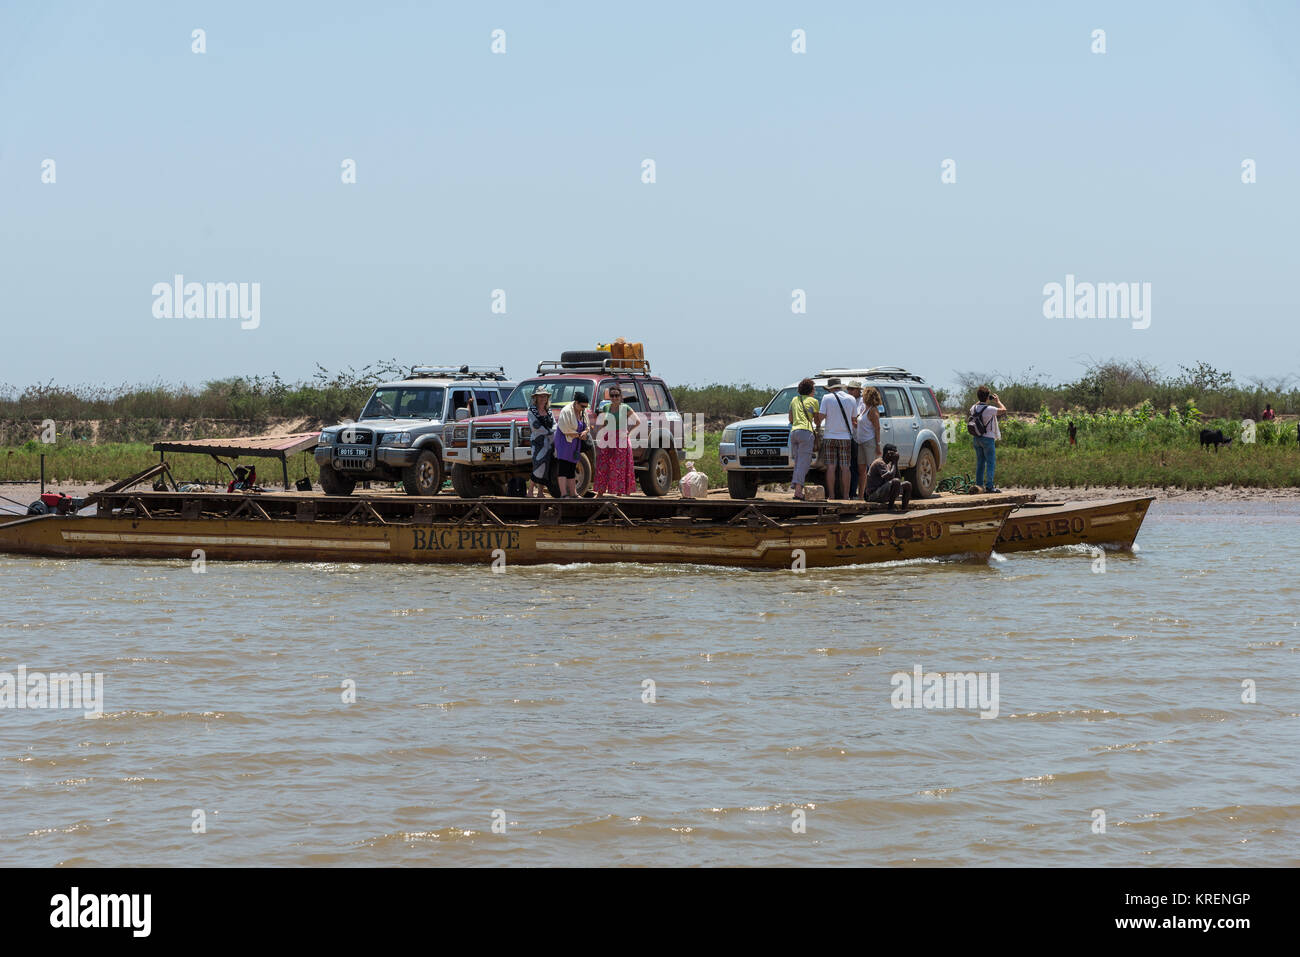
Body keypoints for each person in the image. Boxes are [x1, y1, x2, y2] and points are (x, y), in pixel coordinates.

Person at [589, 384, 641, 495]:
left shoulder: (625, 408)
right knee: (603, 464)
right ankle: (600, 492)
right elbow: (603, 423)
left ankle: (619, 492)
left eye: (616, 395)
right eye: (612, 395)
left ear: (620, 396)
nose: (614, 398)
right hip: (608, 438)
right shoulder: (606, 407)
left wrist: (627, 432)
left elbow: (637, 421)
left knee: (619, 466)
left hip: (621, 439)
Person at [818, 378, 856, 500]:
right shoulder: (851, 399)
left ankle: (832, 495)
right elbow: (854, 418)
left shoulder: (826, 398)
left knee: (831, 467)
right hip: (845, 437)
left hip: (830, 436)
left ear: (830, 388)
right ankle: (846, 496)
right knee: (845, 467)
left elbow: (821, 417)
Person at [969, 386, 1007, 493]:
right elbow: (1004, 410)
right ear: (987, 397)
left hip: (976, 438)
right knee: (990, 462)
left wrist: (982, 399)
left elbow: (976, 405)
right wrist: (998, 401)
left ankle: (979, 485)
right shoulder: (990, 409)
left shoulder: (973, 408)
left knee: (980, 462)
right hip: (988, 438)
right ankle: (990, 486)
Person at [554, 392, 590, 497]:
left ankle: (574, 493)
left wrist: (585, 432)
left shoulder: (583, 411)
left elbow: (587, 426)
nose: (584, 408)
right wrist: (579, 435)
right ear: (576, 403)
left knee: (572, 468)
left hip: (575, 442)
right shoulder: (566, 411)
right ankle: (564, 494)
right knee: (563, 468)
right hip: (564, 442)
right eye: (582, 406)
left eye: (585, 406)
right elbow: (565, 429)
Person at [788, 378, 819, 500]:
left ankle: (795, 486)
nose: (815, 391)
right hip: (806, 432)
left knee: (798, 462)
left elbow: (790, 418)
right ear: (810, 390)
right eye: (814, 389)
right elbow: (817, 420)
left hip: (794, 432)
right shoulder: (813, 401)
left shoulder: (794, 400)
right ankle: (798, 491)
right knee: (804, 463)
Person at [853, 384, 882, 501]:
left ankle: (874, 494)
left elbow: (877, 428)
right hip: (861, 442)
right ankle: (861, 495)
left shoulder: (873, 410)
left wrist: (878, 445)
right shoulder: (864, 409)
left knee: (871, 469)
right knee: (862, 470)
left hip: (869, 442)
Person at [527, 386, 555, 498]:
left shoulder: (549, 411)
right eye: (541, 396)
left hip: (548, 443)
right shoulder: (531, 411)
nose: (543, 398)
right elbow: (535, 427)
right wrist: (549, 431)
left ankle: (540, 492)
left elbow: (554, 423)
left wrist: (553, 430)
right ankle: (530, 491)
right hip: (537, 443)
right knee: (537, 466)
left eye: (545, 396)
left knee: (545, 467)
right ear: (536, 398)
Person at [865, 444, 911, 510]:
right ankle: (890, 508)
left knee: (907, 484)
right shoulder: (879, 462)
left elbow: (900, 479)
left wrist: (895, 463)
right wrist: (894, 462)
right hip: (873, 495)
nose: (896, 455)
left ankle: (904, 509)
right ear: (889, 454)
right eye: (894, 453)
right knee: (895, 481)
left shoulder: (889, 465)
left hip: (883, 493)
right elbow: (890, 476)